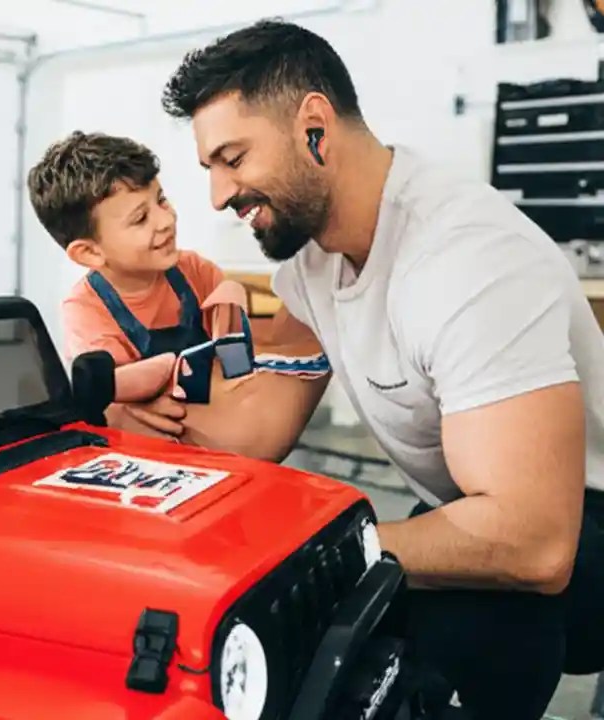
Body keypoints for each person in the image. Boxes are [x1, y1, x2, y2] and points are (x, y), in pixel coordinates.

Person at [156, 18, 604, 718]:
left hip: (581, 521)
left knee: (427, 645)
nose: (218, 195)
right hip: (478, 502)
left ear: (314, 128)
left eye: (233, 159)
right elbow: (260, 432)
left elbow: (538, 543)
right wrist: (139, 413)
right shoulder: (311, 260)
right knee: (321, 629)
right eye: (210, 168)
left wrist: (313, 554)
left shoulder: (464, 260)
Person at [25, 130, 329, 456]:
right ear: (89, 253)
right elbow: (112, 397)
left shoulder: (193, 270)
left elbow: (233, 348)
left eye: (161, 200)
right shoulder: (86, 308)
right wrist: (123, 408)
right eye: (140, 218)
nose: (165, 220)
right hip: (157, 445)